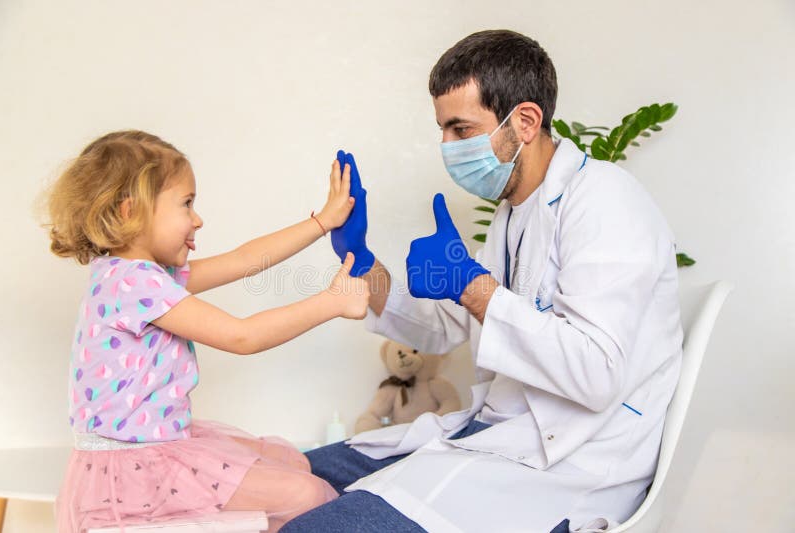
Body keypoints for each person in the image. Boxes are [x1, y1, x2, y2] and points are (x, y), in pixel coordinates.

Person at [281, 30, 683, 533]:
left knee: (309, 527)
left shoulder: (606, 202)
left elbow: (596, 372)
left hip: (571, 463)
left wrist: (471, 284)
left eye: (460, 129)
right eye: (442, 130)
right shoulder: (512, 215)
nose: (445, 146)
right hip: (496, 436)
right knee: (286, 477)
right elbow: (445, 328)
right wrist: (363, 263)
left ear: (526, 122)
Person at [45, 130, 370, 532]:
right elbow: (242, 336)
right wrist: (331, 302)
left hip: (149, 451)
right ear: (131, 211)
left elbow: (244, 259)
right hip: (139, 469)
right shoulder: (134, 283)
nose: (197, 219)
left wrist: (323, 222)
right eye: (186, 204)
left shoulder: (134, 275)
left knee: (292, 464)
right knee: (309, 496)